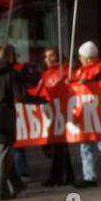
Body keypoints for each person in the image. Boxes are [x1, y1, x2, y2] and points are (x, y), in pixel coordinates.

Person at [0, 43, 45, 201]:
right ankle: (1, 191)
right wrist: (42, 100)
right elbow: (21, 97)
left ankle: (17, 184)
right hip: (5, 117)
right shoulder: (12, 73)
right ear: (10, 56)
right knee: (4, 154)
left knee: (3, 152)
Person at [70, 41, 101, 188]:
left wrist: (93, 82)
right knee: (86, 144)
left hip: (97, 112)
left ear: (87, 58)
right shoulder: (80, 71)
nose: (79, 59)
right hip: (85, 112)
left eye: (81, 57)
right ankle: (89, 176)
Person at [32, 47, 75, 186]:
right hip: (50, 112)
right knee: (56, 145)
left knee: (59, 145)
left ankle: (57, 176)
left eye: (51, 56)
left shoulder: (66, 70)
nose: (48, 59)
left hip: (62, 112)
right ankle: (67, 174)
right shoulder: (45, 74)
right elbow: (39, 92)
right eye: (46, 56)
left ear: (58, 56)